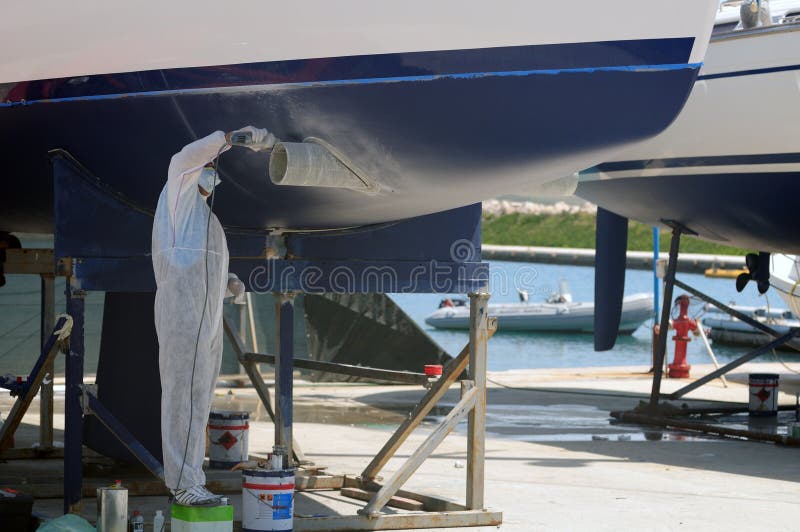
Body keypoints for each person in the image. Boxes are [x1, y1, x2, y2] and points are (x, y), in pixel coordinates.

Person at [152, 126, 272, 506]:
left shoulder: (204, 219)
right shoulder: (176, 200)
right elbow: (183, 159)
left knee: (200, 398)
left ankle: (193, 477)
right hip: (182, 318)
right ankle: (183, 483)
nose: (210, 185)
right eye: (207, 177)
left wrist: (230, 283)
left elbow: (202, 267)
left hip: (206, 318)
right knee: (183, 397)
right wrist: (227, 137)